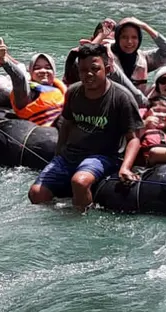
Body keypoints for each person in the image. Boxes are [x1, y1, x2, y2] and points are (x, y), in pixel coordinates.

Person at [29, 44, 143, 212]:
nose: (88, 74)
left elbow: (133, 138)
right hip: (71, 154)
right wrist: (59, 152)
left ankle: (79, 220)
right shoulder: (73, 92)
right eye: (83, 70)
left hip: (104, 155)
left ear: (108, 68)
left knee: (80, 182)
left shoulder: (121, 98)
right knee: (36, 193)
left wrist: (125, 167)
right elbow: (66, 123)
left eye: (95, 69)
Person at [111, 17, 166, 93]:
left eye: (134, 37)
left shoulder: (144, 58)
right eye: (124, 37)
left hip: (139, 103)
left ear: (139, 39)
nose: (129, 41)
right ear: (117, 39)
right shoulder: (106, 56)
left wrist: (145, 27)